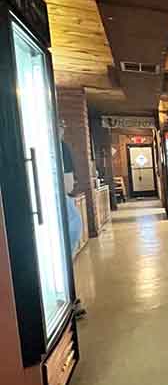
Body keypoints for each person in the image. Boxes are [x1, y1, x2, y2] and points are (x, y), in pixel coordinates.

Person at [59, 120, 86, 319]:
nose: (63, 127)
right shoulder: (60, 147)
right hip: (57, 206)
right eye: (61, 124)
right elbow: (68, 185)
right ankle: (66, 297)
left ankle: (65, 297)